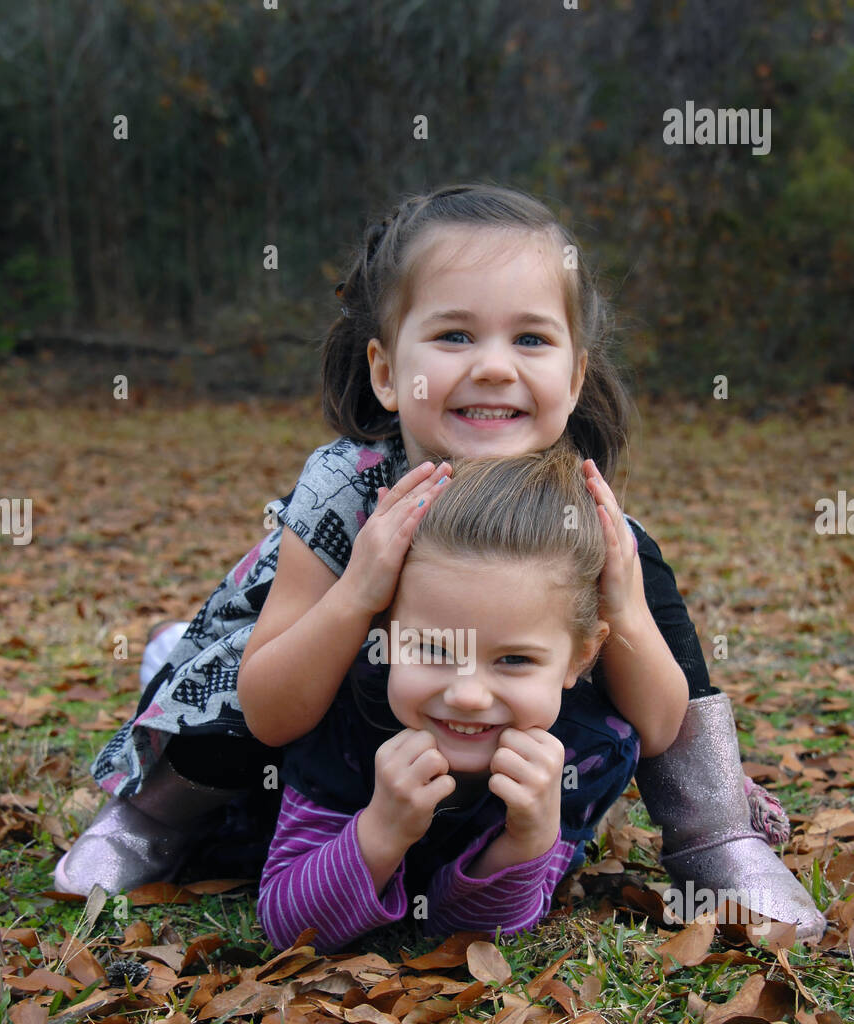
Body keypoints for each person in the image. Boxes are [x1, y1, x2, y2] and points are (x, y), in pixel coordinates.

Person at [54, 181, 825, 941]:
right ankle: (154, 816)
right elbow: (270, 708)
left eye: (529, 339)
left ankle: (713, 834)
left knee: (632, 563)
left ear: (574, 375)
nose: (493, 366)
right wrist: (358, 593)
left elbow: (656, 727)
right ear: (388, 372)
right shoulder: (342, 491)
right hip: (307, 687)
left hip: (459, 708)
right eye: (455, 337)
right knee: (230, 699)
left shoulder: (581, 511)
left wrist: (621, 608)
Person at [257, 446, 643, 949]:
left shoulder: (585, 752)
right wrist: (380, 832)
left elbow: (472, 939)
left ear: (580, 657)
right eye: (435, 650)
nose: (466, 695)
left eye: (515, 660)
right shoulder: (344, 716)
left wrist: (527, 841)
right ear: (388, 633)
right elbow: (286, 929)